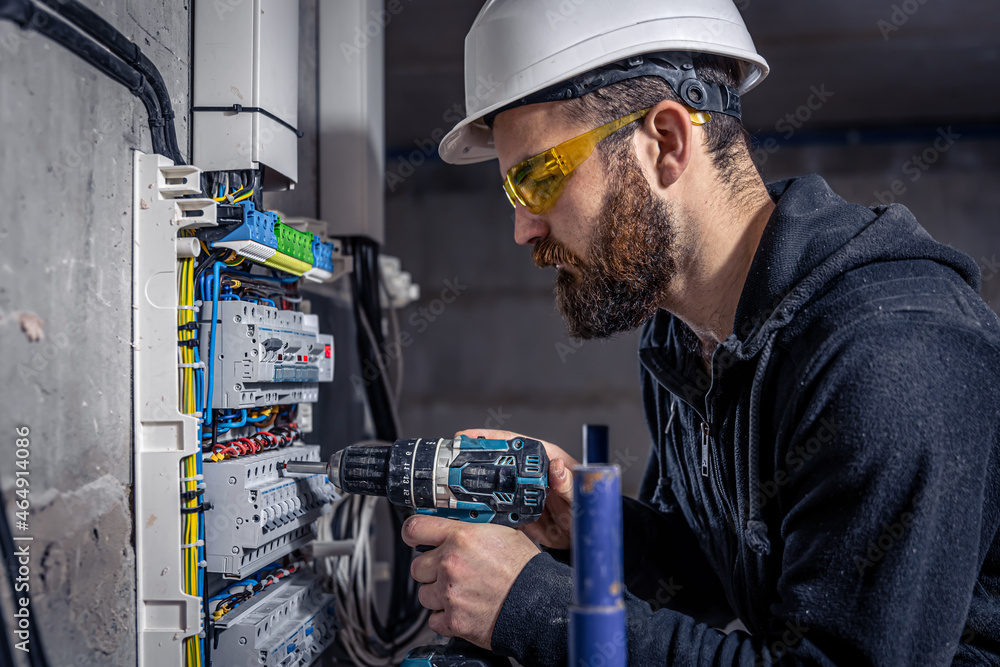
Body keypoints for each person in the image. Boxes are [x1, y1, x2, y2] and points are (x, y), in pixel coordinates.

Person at [401, 1, 1000, 664]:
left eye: (538, 178)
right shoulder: (681, 342)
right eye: (513, 197)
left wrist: (535, 607)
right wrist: (598, 533)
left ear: (665, 142)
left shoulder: (887, 351)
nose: (524, 229)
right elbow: (727, 571)